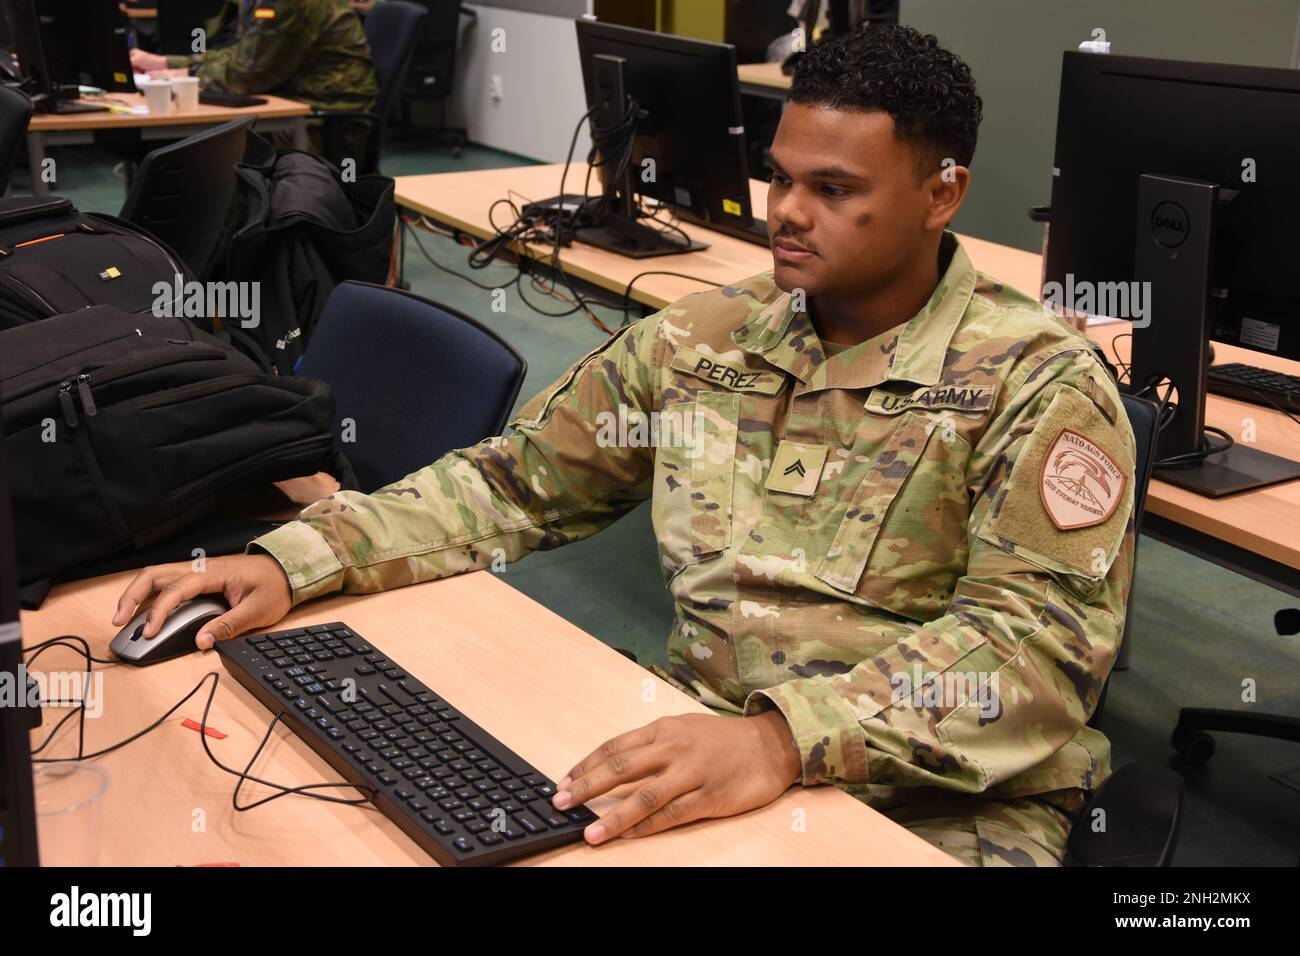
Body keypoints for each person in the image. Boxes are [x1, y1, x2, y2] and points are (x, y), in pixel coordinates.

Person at [113, 25, 1136, 866]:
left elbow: (1032, 652)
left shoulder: (1033, 381)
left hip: (935, 807)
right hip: (701, 753)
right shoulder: (705, 339)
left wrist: (784, 737)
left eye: (833, 191)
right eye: (779, 178)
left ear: (941, 194)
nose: (784, 213)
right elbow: (517, 486)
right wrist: (299, 557)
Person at [129, 0, 377, 156]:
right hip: (290, 105)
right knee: (181, 140)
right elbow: (243, 55)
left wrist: (186, 73)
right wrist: (166, 63)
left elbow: (247, 76)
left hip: (324, 123)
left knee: (196, 145)